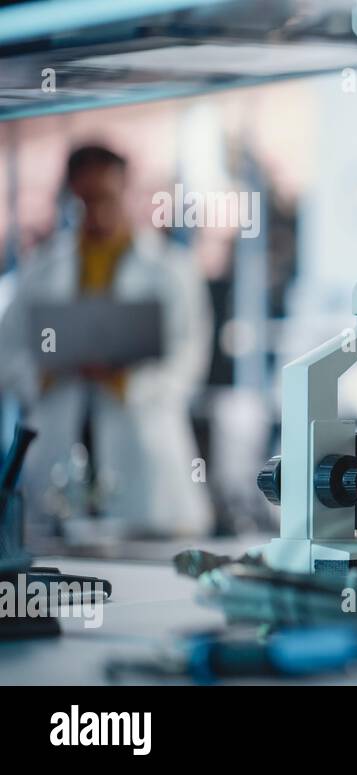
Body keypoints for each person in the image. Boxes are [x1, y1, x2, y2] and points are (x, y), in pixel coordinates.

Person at [0, 145, 213, 537]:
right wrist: (45, 374)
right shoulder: (41, 267)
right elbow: (7, 353)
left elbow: (189, 360)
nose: (95, 211)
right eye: (85, 200)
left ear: (125, 191)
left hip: (143, 450)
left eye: (105, 199)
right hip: (62, 431)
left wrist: (125, 382)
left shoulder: (170, 269)